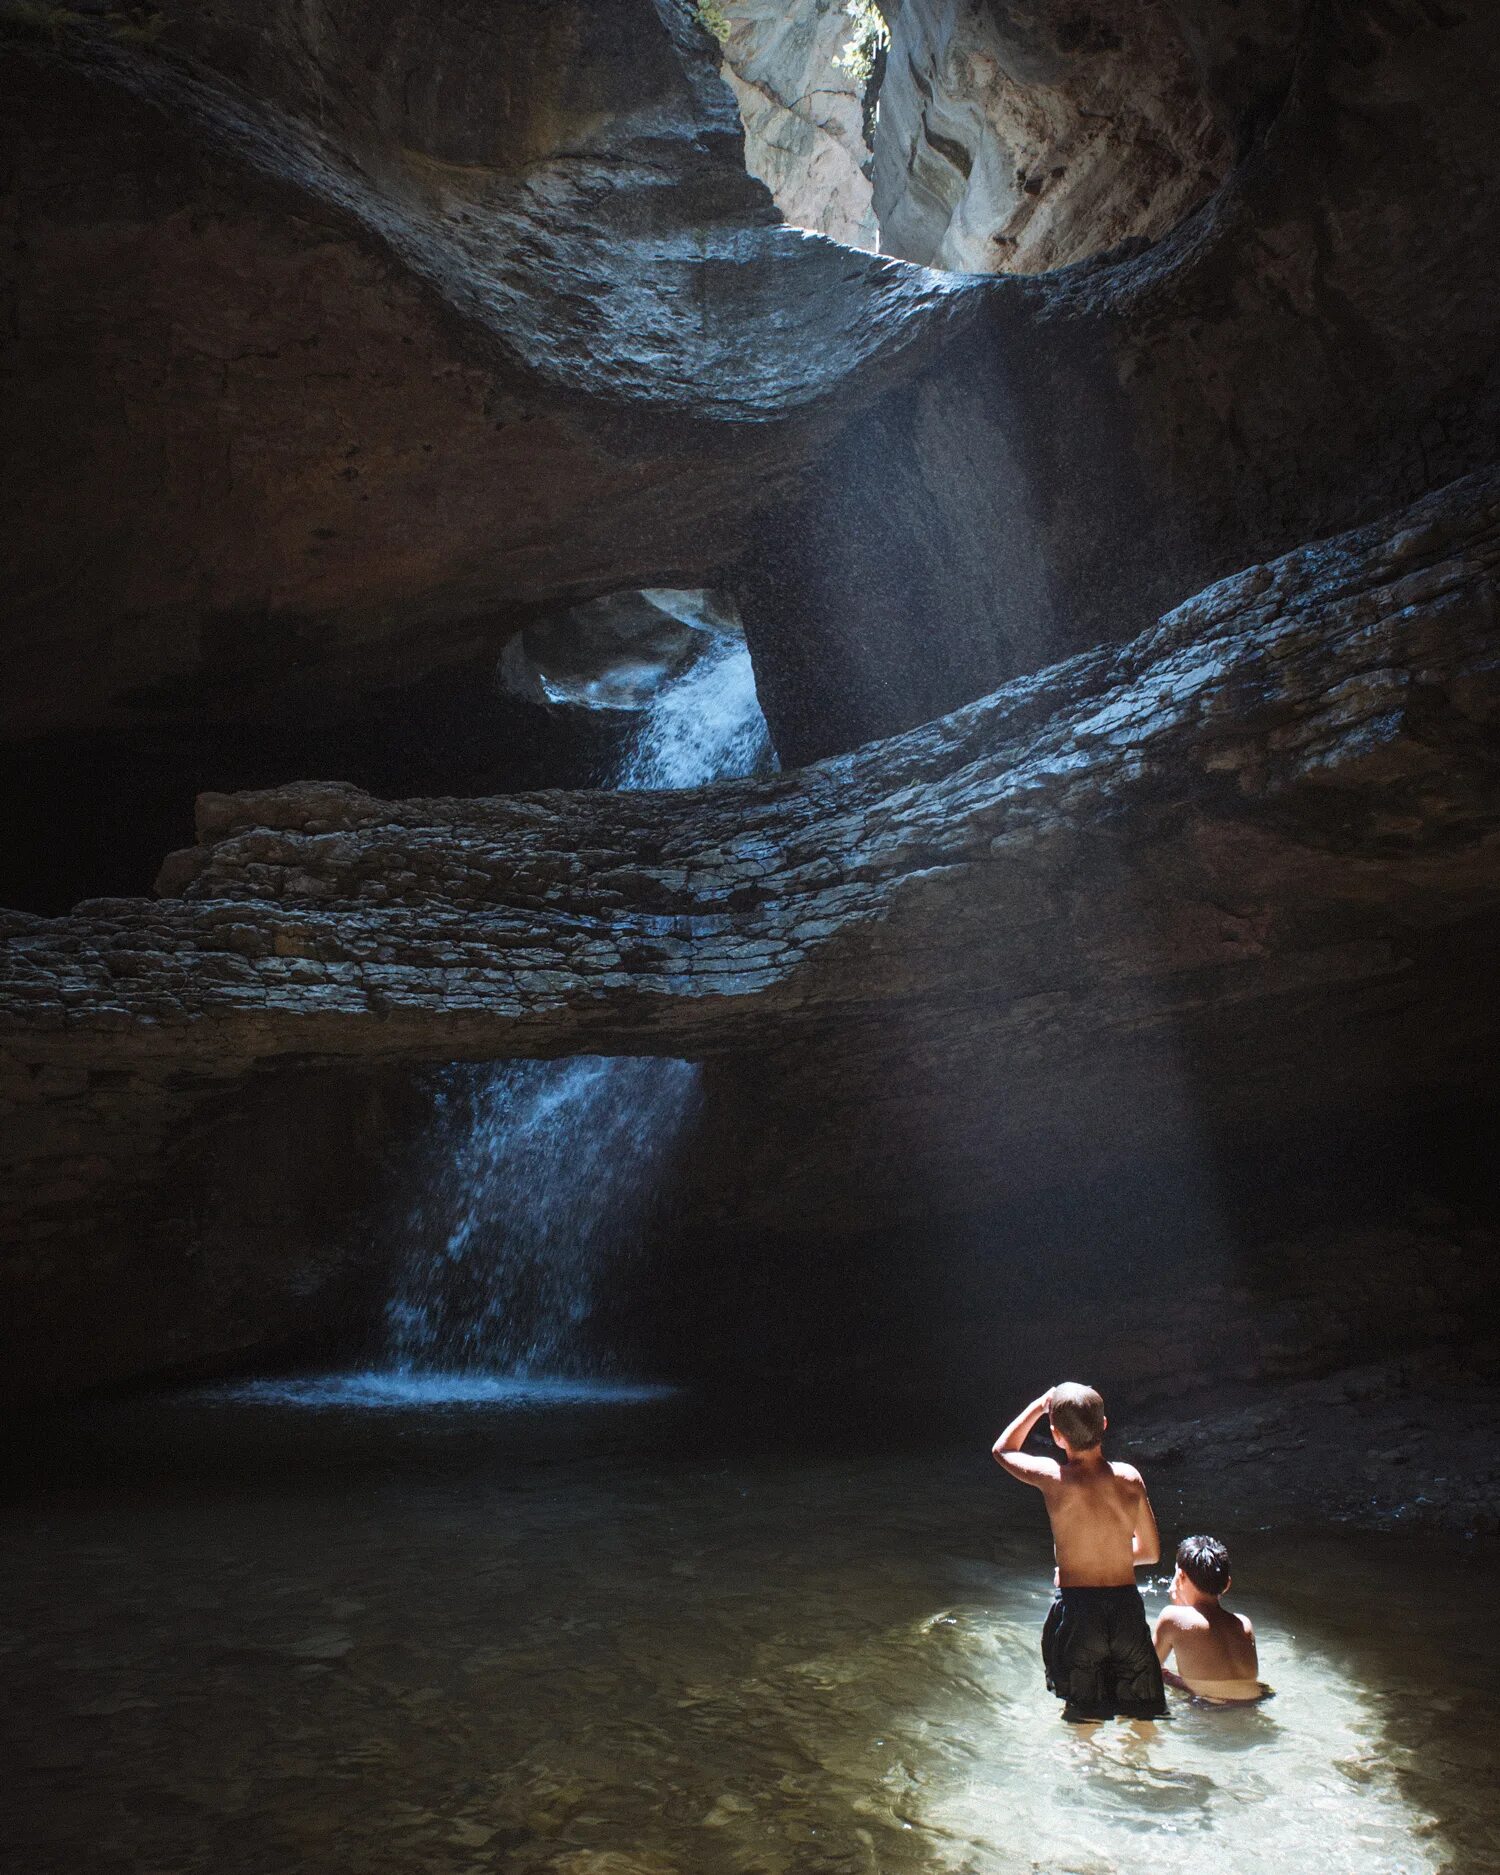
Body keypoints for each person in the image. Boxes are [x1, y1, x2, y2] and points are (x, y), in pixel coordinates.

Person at [993, 1382, 1168, 1721]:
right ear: (1103, 1425)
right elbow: (1150, 1552)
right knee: (1143, 1717)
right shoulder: (1130, 1478)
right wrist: (1112, 1555)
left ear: (1057, 1436)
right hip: (1126, 1612)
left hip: (1079, 1613)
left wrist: (1038, 1405)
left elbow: (1003, 1450)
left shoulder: (1053, 1477)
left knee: (1084, 1719)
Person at [1153, 1534, 1268, 1704]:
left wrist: (1170, 1679)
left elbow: (1146, 1671)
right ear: (1227, 1584)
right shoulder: (1244, 1624)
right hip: (1253, 1703)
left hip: (1210, 1711)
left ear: (1181, 1577)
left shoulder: (1171, 1618)